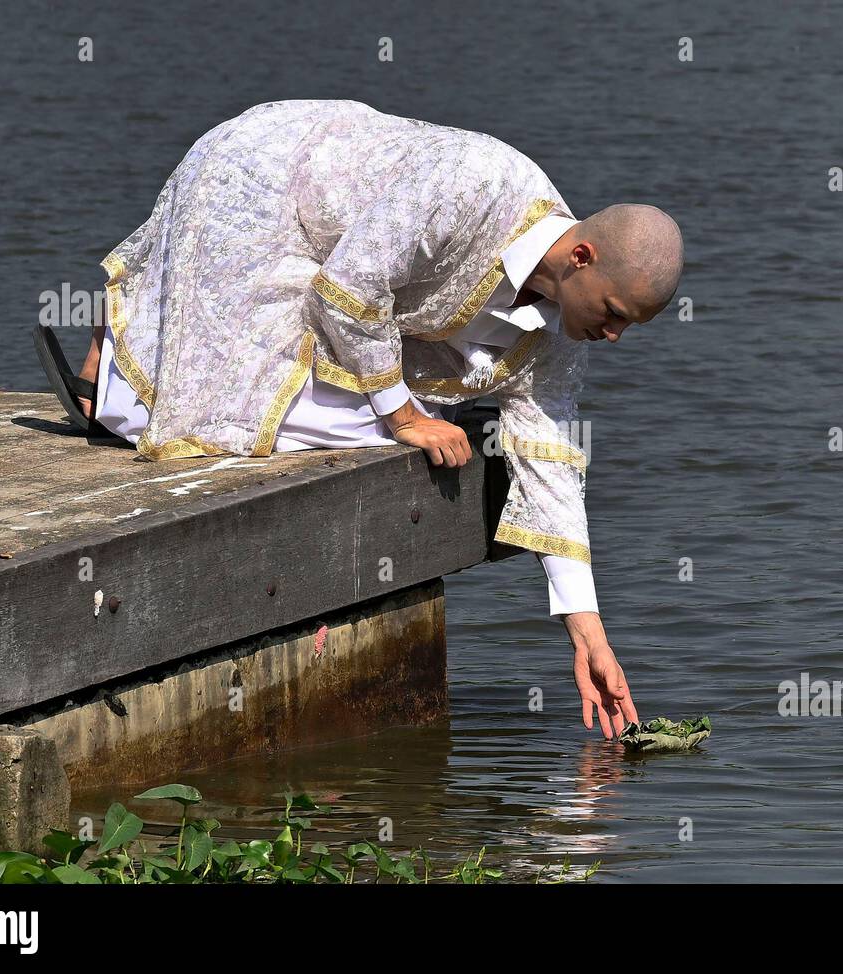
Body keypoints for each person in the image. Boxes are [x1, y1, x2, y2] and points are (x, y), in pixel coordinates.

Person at [37, 100, 684, 740]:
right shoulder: (474, 187)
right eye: (615, 312)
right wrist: (402, 414)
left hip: (342, 252)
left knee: (390, 418)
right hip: (269, 178)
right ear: (582, 257)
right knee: (242, 408)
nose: (615, 335)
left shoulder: (561, 331)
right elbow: (346, 292)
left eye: (630, 324)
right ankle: (119, 352)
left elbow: (547, 450)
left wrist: (589, 636)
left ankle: (124, 358)